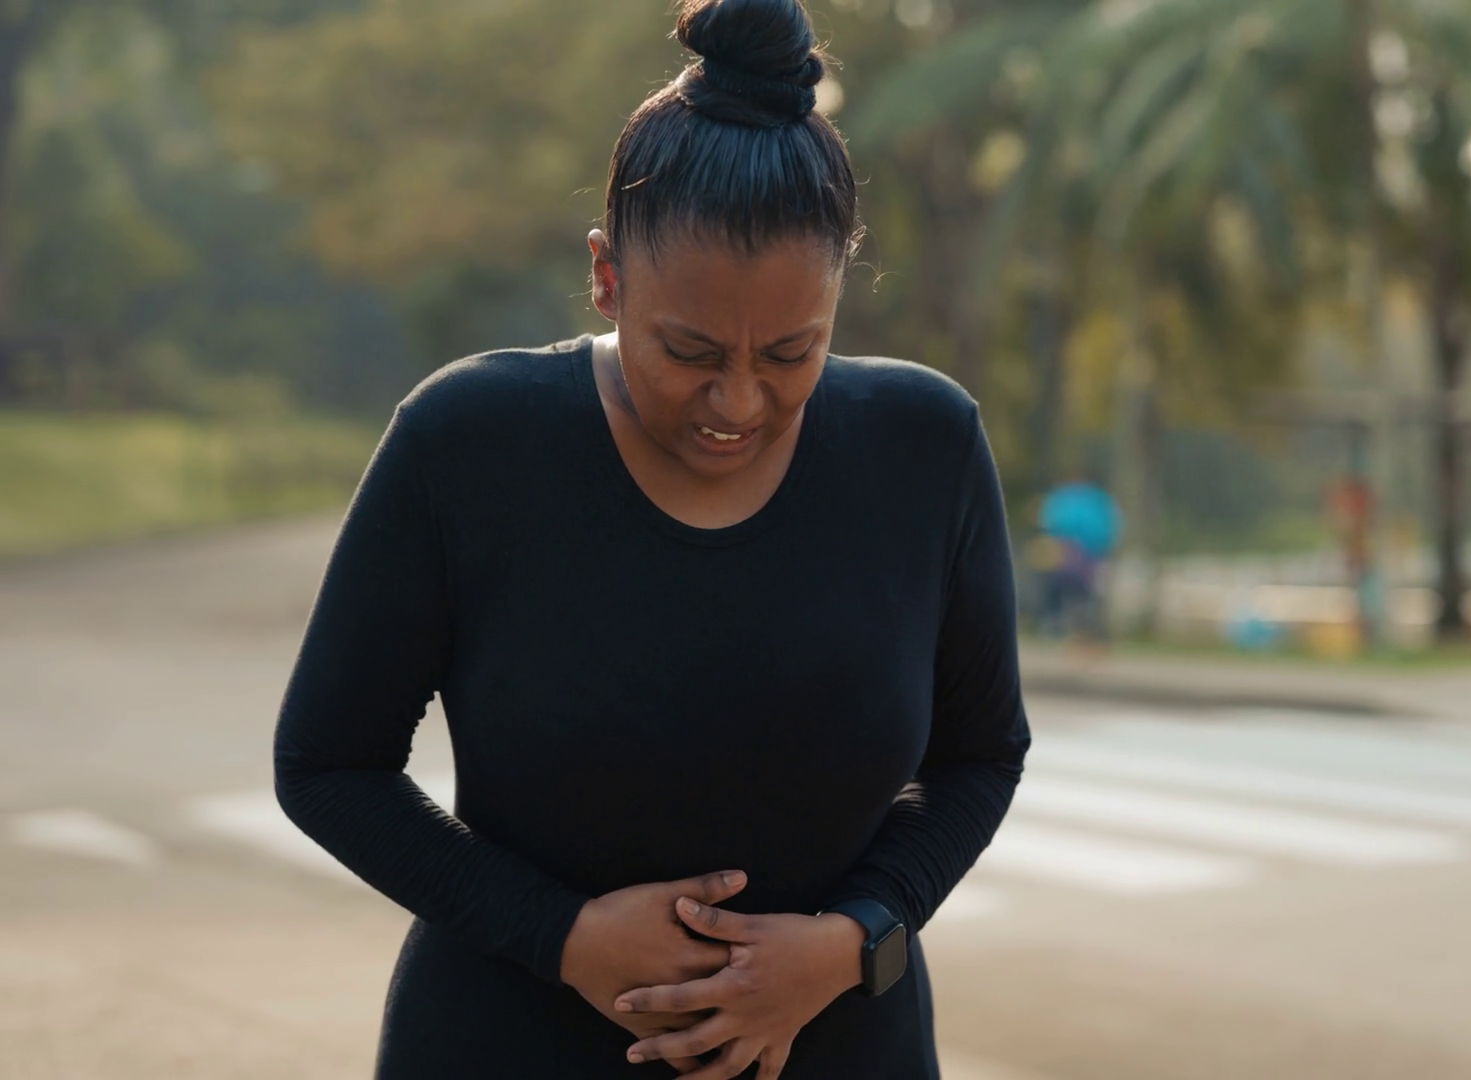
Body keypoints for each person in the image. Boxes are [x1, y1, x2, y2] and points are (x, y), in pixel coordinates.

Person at [272, 2, 1029, 1076]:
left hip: (844, 1045)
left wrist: (853, 942)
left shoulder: (926, 447)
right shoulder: (468, 442)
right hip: (505, 1042)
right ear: (605, 276)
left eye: (790, 353)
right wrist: (560, 937)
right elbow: (327, 764)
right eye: (689, 349)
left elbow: (982, 755)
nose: (738, 400)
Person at [1037, 475, 1121, 643]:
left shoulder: (1063, 499)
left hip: (1069, 553)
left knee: (1065, 591)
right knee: (1085, 595)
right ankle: (1083, 629)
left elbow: (1049, 523)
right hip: (1090, 555)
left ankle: (1060, 625)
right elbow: (1111, 528)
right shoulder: (1098, 500)